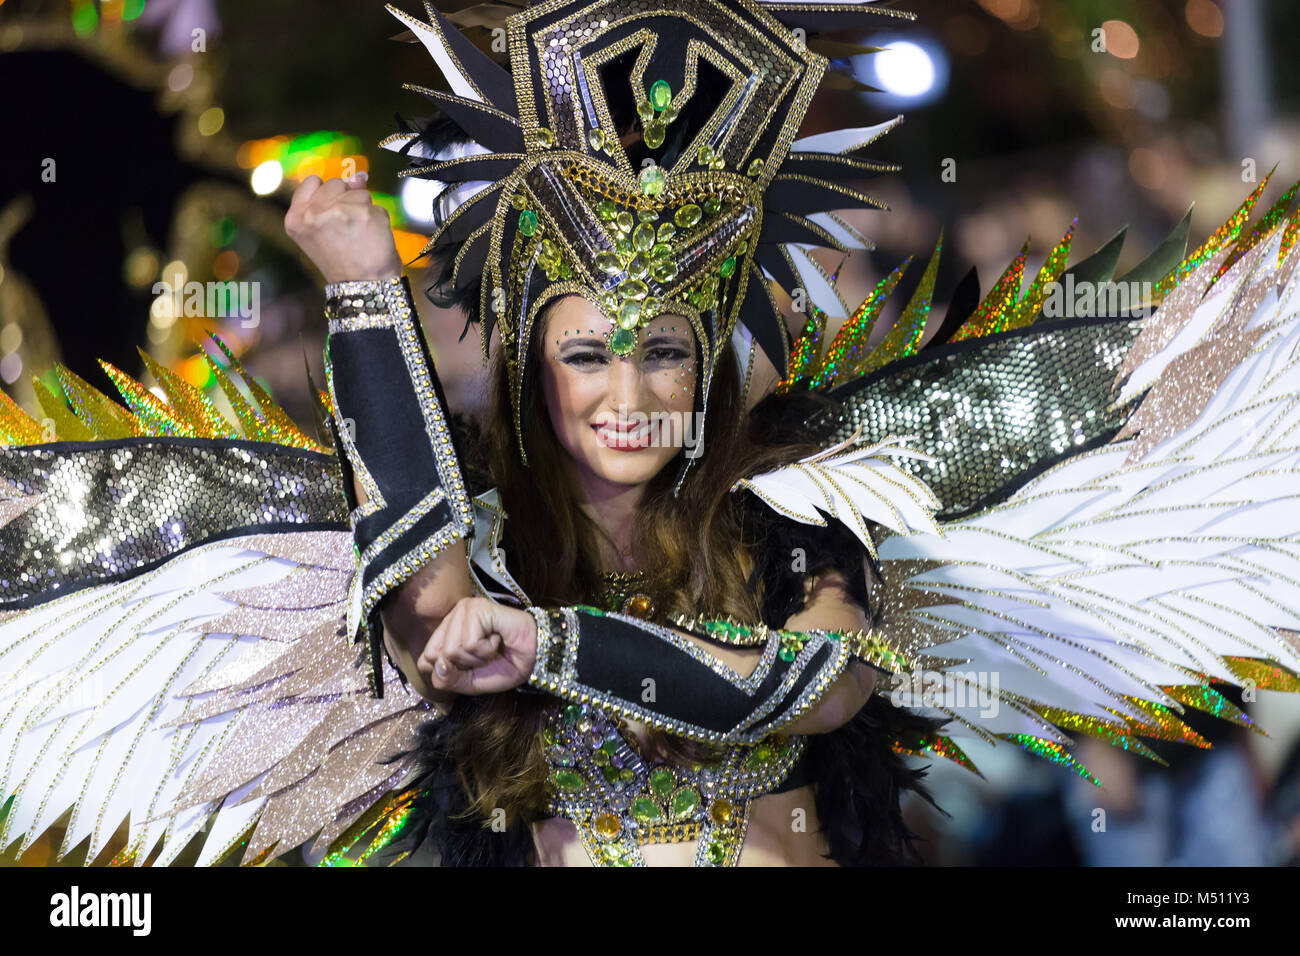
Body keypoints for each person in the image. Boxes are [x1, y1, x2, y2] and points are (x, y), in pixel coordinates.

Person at [3, 0, 1300, 869]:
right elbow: (418, 600)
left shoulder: (798, 517)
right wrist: (357, 284)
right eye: (586, 350)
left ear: (706, 361)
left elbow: (818, 684)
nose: (628, 387)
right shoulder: (493, 551)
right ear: (532, 373)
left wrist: (554, 645)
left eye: (664, 346)